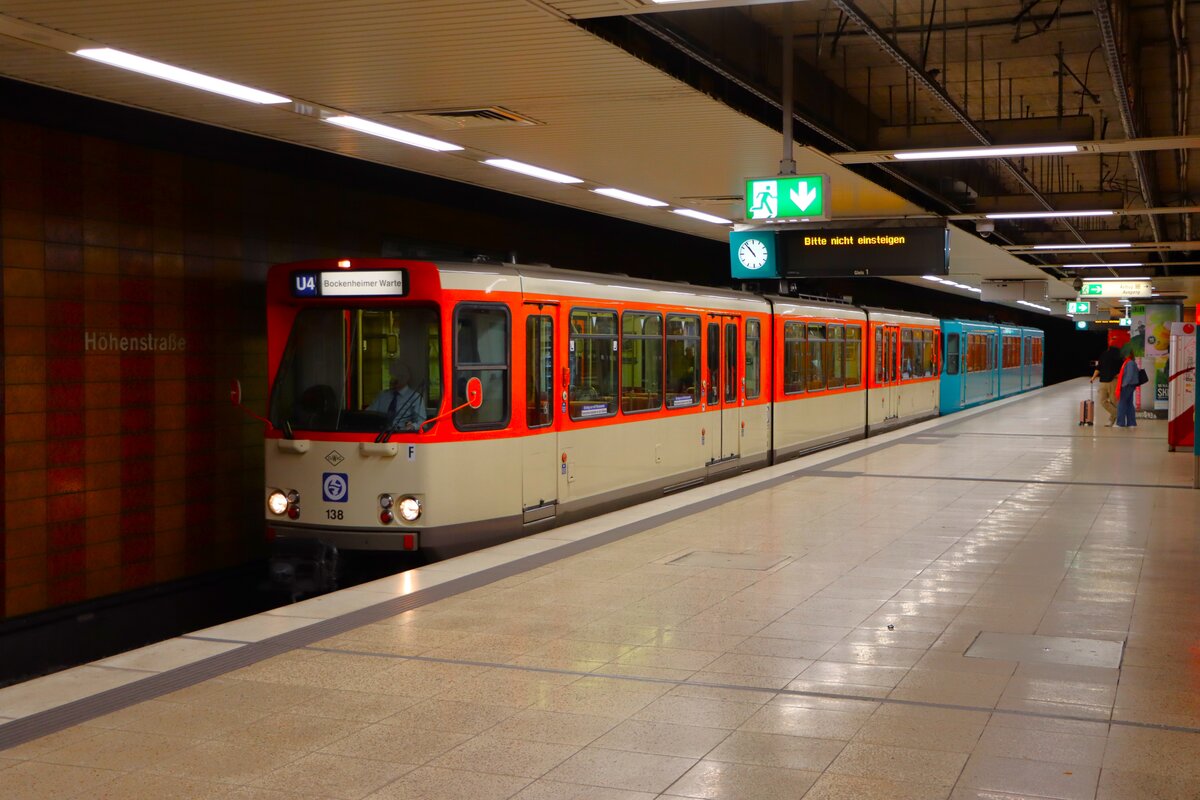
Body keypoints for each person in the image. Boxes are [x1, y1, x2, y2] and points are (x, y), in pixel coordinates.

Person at [368, 360, 426, 431]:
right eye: (392, 375)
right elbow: (369, 414)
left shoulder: (415, 397)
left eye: (398, 375)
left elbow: (422, 423)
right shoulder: (382, 396)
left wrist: (412, 426)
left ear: (406, 377)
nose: (393, 379)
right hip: (379, 434)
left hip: (401, 435)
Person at [1090, 344, 1124, 426]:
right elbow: (1099, 367)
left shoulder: (1109, 355)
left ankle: (1111, 421)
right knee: (1107, 401)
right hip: (1109, 381)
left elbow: (1098, 367)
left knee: (1109, 401)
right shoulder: (1107, 355)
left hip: (1110, 381)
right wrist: (1093, 377)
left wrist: (1093, 377)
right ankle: (1119, 414)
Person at [1116, 351, 1139, 428]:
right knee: (1129, 404)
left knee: (1121, 403)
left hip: (1127, 385)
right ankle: (1131, 423)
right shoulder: (1131, 362)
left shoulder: (1129, 363)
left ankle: (1120, 423)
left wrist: (1123, 385)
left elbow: (1129, 375)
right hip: (1130, 385)